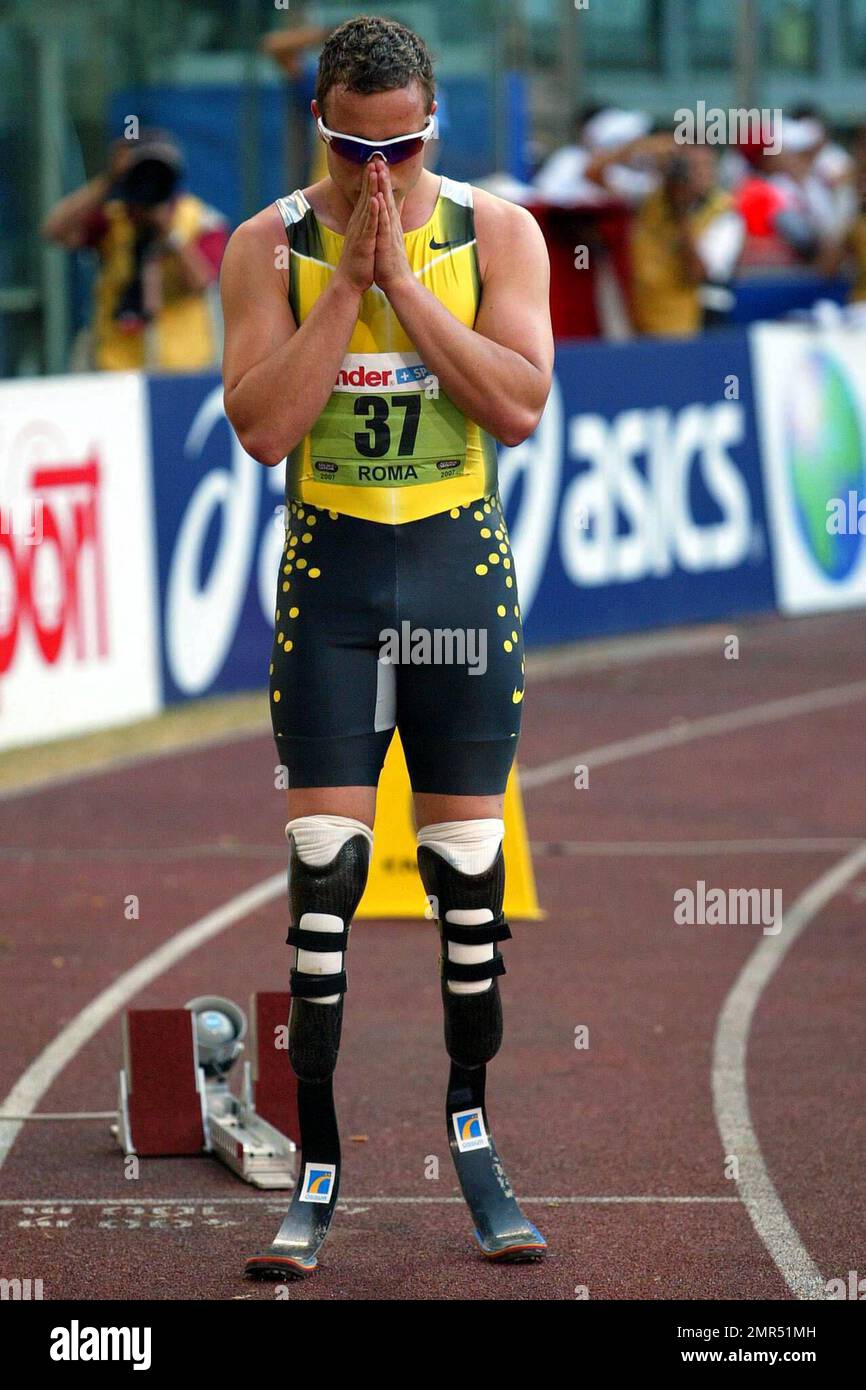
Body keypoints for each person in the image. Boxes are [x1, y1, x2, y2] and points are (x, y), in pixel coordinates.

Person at [221, 13, 553, 1279]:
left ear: (433, 127)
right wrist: (351, 284)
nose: (381, 177)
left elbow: (517, 405)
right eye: (355, 149)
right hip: (336, 576)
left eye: (403, 147)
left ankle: (471, 1134)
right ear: (321, 126)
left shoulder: (496, 232)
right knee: (323, 886)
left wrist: (408, 283)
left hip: (458, 576)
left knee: (466, 887)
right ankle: (316, 1167)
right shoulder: (270, 245)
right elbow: (262, 427)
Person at [41, 129, 229, 371]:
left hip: (184, 373)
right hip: (118, 370)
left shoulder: (201, 220)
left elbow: (201, 282)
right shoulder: (116, 217)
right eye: (142, 174)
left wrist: (168, 232)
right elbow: (54, 230)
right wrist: (109, 180)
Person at [630, 145, 744, 336]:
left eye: (704, 166)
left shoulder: (725, 214)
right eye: (689, 167)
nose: (696, 174)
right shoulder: (652, 197)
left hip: (687, 327)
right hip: (638, 318)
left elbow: (698, 273)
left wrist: (681, 213)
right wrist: (645, 145)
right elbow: (594, 175)